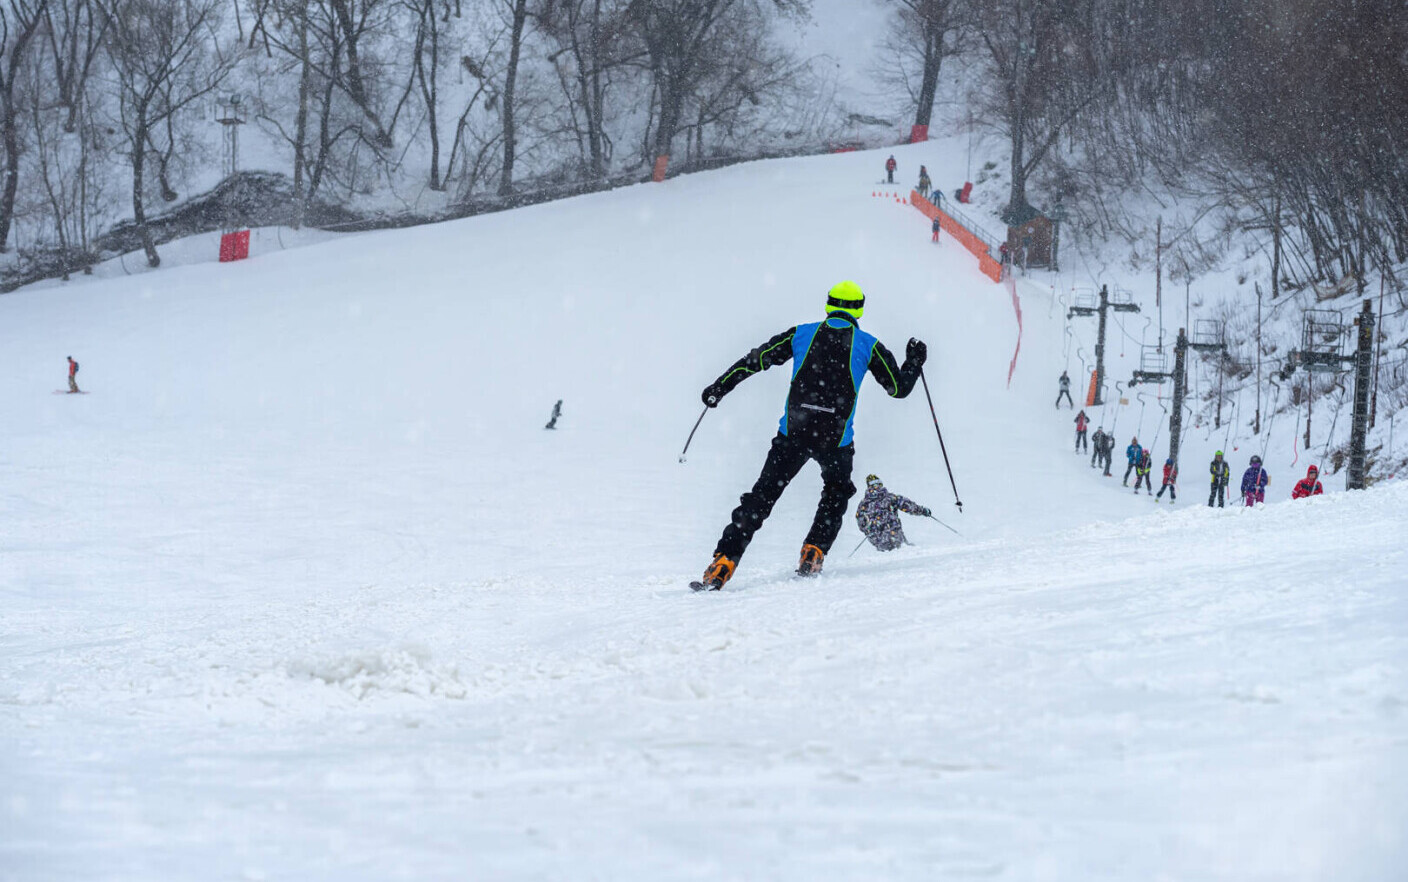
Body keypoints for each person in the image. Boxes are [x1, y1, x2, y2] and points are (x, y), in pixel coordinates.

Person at [693, 281, 927, 590]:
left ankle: (724, 560)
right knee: (836, 492)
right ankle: (813, 552)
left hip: (794, 433)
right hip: (836, 439)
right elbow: (898, 389)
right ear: (859, 309)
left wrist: (719, 387)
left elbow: (756, 360)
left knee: (762, 497)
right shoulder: (868, 345)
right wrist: (914, 361)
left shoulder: (801, 334)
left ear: (829, 304)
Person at [854, 474, 931, 552]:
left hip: (878, 538)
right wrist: (922, 510)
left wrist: (869, 531)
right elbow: (907, 505)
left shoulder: (864, 504)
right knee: (903, 550)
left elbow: (860, 522)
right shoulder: (890, 498)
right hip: (894, 533)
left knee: (888, 552)